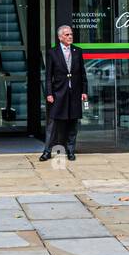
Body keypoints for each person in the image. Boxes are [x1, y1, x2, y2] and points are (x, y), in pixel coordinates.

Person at [41, 24, 87, 161]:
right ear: (60, 37)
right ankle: (47, 151)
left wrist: (84, 91)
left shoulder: (77, 51)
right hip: (58, 93)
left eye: (71, 34)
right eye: (67, 35)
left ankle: (71, 150)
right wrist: (49, 93)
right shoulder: (52, 52)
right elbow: (48, 76)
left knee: (73, 123)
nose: (70, 36)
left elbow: (82, 73)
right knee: (53, 123)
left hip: (74, 93)